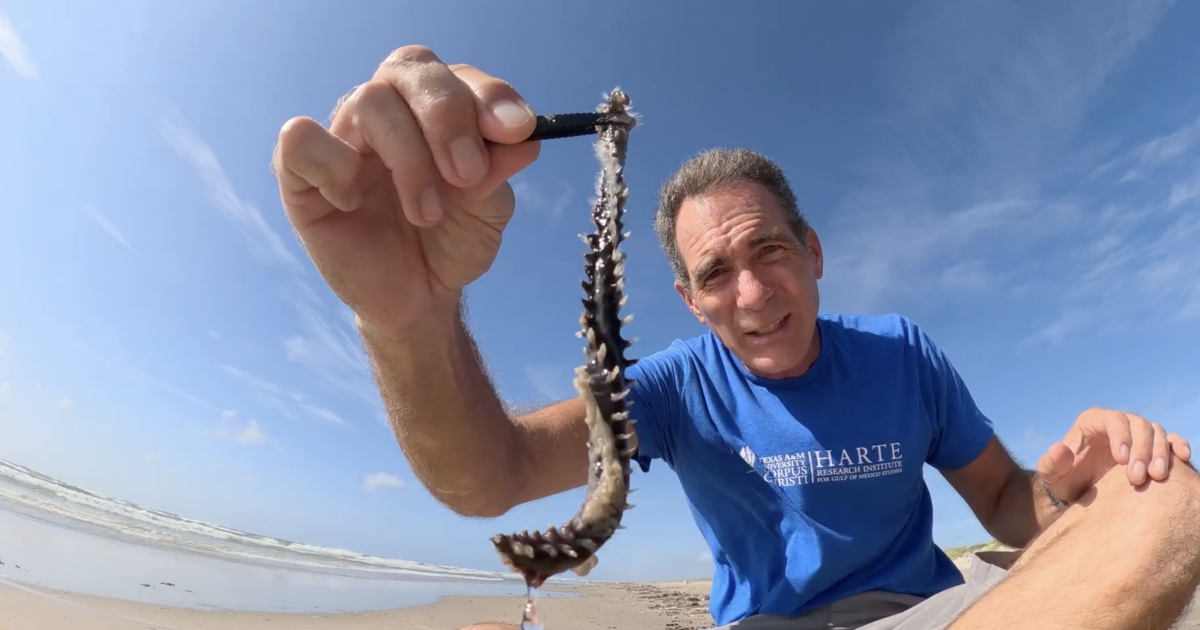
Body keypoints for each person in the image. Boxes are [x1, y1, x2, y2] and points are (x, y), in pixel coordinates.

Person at [270, 45, 1200, 630]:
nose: (752, 293)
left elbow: (1003, 497)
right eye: (716, 273)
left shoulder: (901, 351)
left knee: (1165, 497)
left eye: (770, 251)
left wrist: (1083, 482)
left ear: (815, 252)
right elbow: (490, 475)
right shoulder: (676, 390)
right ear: (687, 298)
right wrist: (407, 318)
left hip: (935, 611)